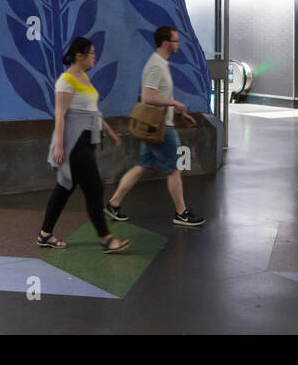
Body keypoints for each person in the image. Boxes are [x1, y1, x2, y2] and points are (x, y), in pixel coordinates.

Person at [104, 25, 206, 227]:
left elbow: (159, 95)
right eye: (176, 40)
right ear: (166, 43)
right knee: (173, 170)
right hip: (160, 128)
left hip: (157, 125)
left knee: (143, 166)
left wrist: (181, 113)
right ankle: (181, 213)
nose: (179, 44)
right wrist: (175, 104)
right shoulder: (155, 65)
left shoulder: (161, 64)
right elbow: (149, 97)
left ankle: (113, 204)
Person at [37, 37, 131, 253]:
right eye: (91, 54)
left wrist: (109, 131)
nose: (94, 57)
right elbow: (60, 114)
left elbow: (92, 110)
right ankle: (106, 239)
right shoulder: (66, 80)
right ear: (79, 55)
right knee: (94, 188)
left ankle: (44, 234)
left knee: (64, 189)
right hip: (74, 142)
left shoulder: (84, 77)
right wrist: (59, 146)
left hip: (88, 140)